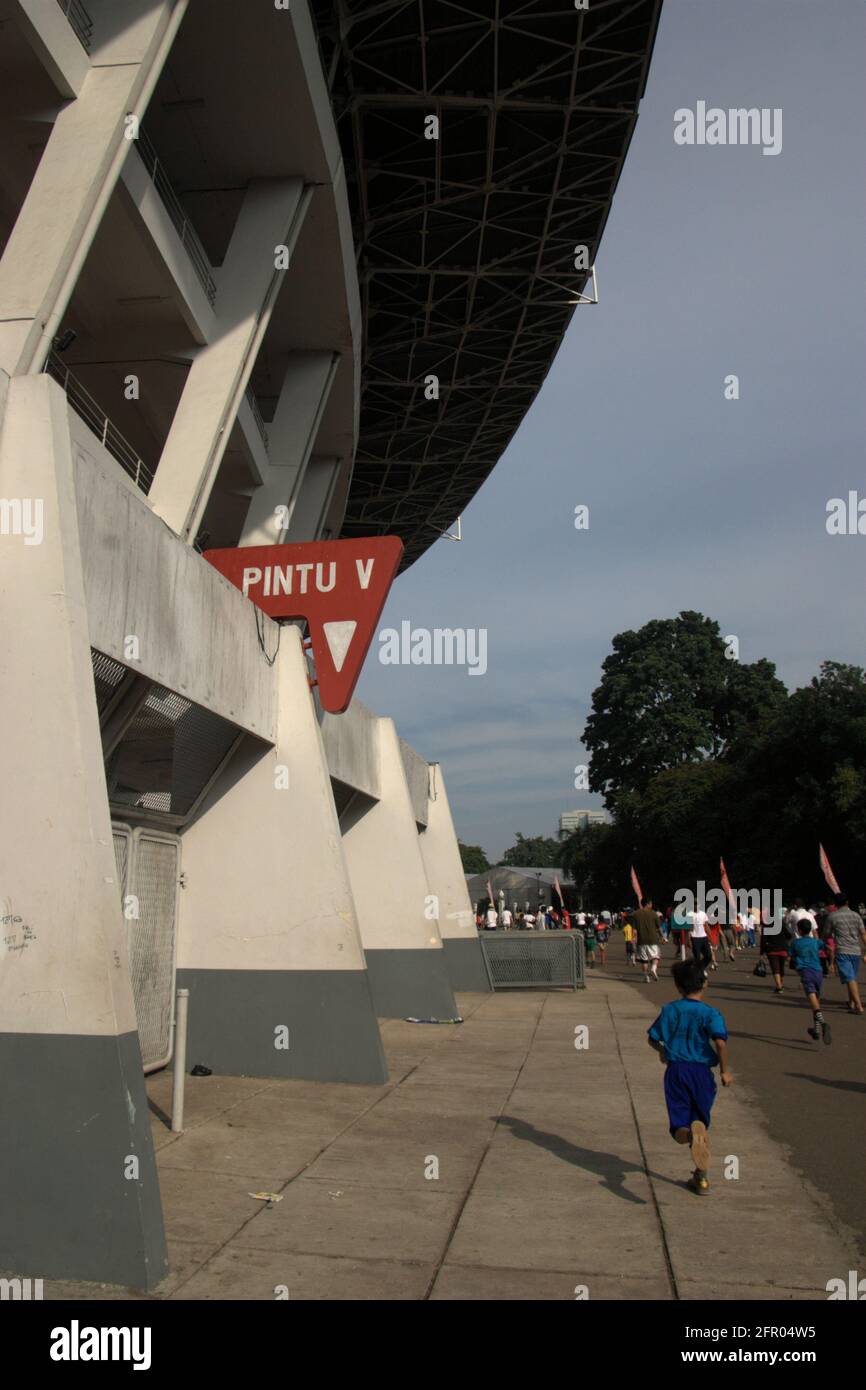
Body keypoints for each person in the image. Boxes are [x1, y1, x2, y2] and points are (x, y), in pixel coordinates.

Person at [647, 957, 733, 1196]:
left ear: (678, 986)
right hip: (702, 1074)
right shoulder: (711, 1013)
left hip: (677, 1071)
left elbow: (653, 1038)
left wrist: (664, 1052)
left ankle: (689, 1141)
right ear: (704, 984)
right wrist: (725, 1071)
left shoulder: (670, 1010)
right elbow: (720, 1043)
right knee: (701, 1124)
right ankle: (702, 1177)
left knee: (679, 1128)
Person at [788, 920, 831, 1044]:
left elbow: (790, 956)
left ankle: (823, 1024)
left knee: (813, 1001)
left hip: (806, 972)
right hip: (818, 971)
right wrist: (831, 963)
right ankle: (816, 1030)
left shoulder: (796, 943)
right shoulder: (816, 942)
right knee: (816, 1002)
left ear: (799, 930)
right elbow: (828, 948)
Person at [830, 892, 866, 1015]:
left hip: (842, 950)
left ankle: (858, 1006)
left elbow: (826, 934)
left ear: (835, 904)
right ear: (847, 902)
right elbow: (863, 934)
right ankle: (851, 1003)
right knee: (852, 978)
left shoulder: (833, 917)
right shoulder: (856, 915)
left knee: (849, 978)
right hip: (856, 951)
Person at [760, 908, 790, 993]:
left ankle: (779, 987)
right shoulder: (781, 924)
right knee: (781, 968)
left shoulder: (766, 926)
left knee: (775, 968)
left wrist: (762, 952)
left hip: (772, 950)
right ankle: (781, 984)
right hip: (783, 949)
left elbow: (763, 940)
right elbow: (789, 935)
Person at [633, 897, 662, 982]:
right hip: (653, 940)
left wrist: (634, 938)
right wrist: (662, 937)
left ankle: (646, 977)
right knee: (656, 957)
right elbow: (659, 928)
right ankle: (653, 968)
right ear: (648, 904)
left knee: (644, 960)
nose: (652, 905)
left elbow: (634, 930)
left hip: (641, 940)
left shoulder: (636, 914)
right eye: (651, 903)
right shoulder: (654, 914)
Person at [688, 903, 712, 972]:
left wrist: (711, 938)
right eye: (694, 904)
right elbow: (689, 928)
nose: (696, 906)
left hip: (704, 937)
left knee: (709, 956)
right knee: (697, 957)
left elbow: (707, 926)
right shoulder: (689, 914)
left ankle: (701, 967)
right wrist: (689, 940)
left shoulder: (703, 914)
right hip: (695, 937)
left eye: (697, 904)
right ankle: (699, 971)